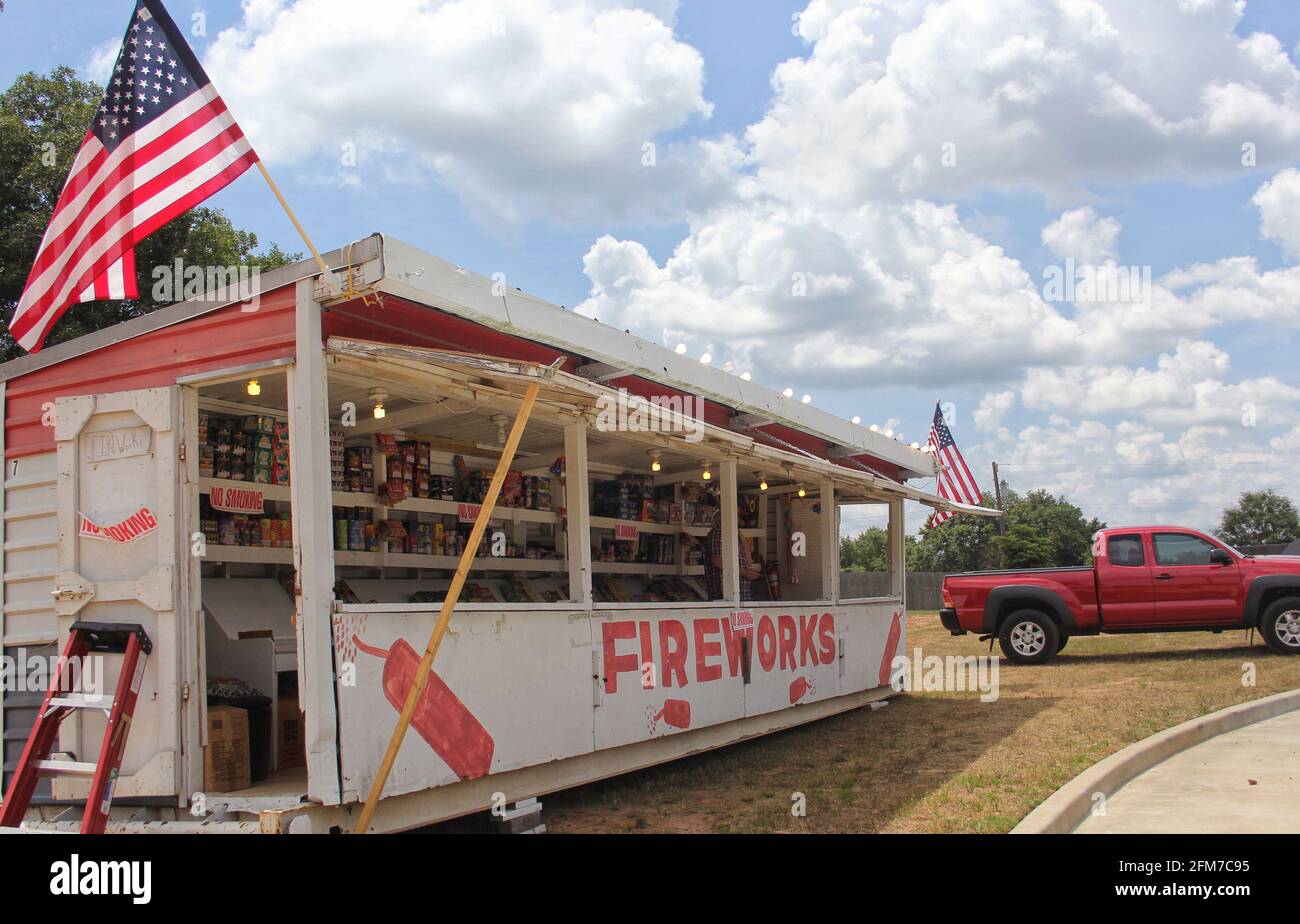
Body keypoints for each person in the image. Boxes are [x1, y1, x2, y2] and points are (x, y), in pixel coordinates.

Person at [701, 518, 762, 602]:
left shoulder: (735, 534)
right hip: (725, 597)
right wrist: (745, 572)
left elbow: (749, 561)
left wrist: (739, 533)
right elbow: (717, 562)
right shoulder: (717, 533)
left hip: (743, 596)